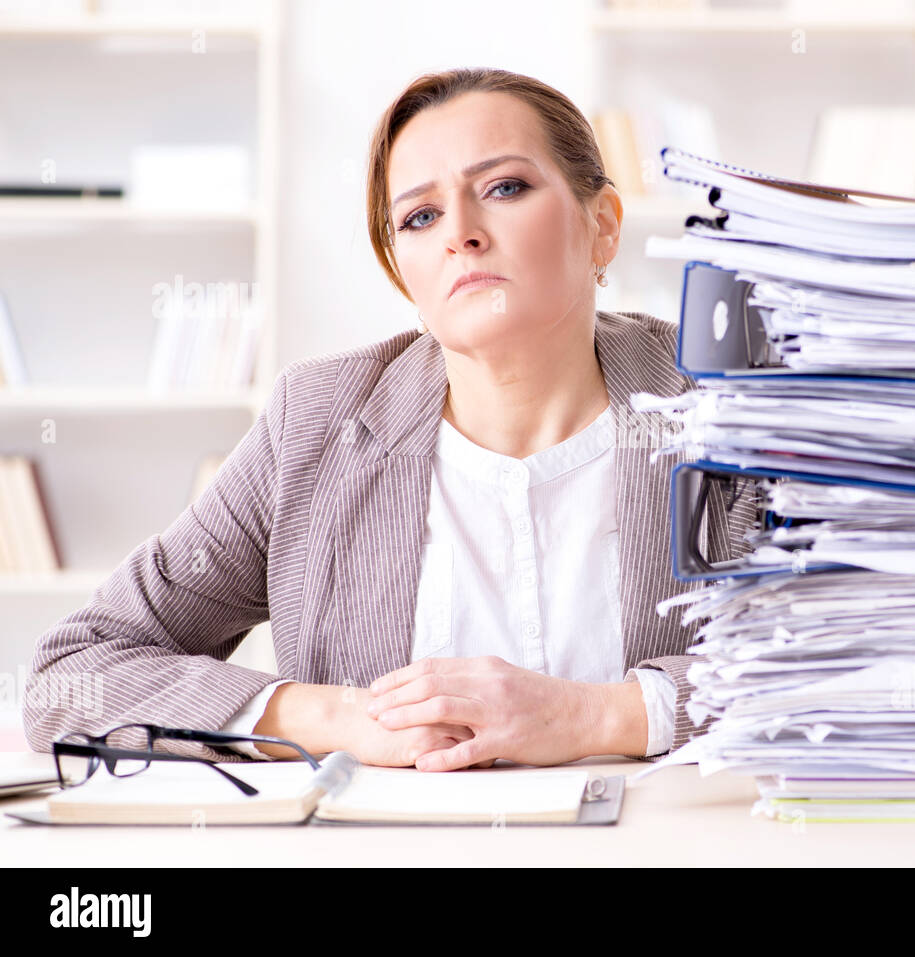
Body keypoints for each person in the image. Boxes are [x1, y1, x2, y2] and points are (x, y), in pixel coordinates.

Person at [23, 67, 760, 772]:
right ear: (401, 266)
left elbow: (859, 658)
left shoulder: (732, 407)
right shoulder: (314, 425)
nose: (460, 233)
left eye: (504, 188)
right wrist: (339, 719)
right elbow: (68, 678)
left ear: (601, 226)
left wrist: (598, 716)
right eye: (420, 215)